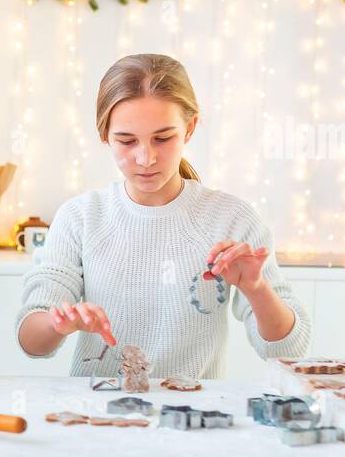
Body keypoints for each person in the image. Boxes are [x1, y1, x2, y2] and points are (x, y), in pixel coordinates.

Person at [17, 53, 312, 377]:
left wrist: (257, 289)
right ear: (105, 136)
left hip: (195, 417)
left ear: (190, 128)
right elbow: (32, 344)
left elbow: (288, 349)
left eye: (163, 138)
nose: (146, 158)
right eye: (127, 141)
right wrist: (58, 324)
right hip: (100, 416)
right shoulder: (80, 217)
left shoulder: (233, 219)